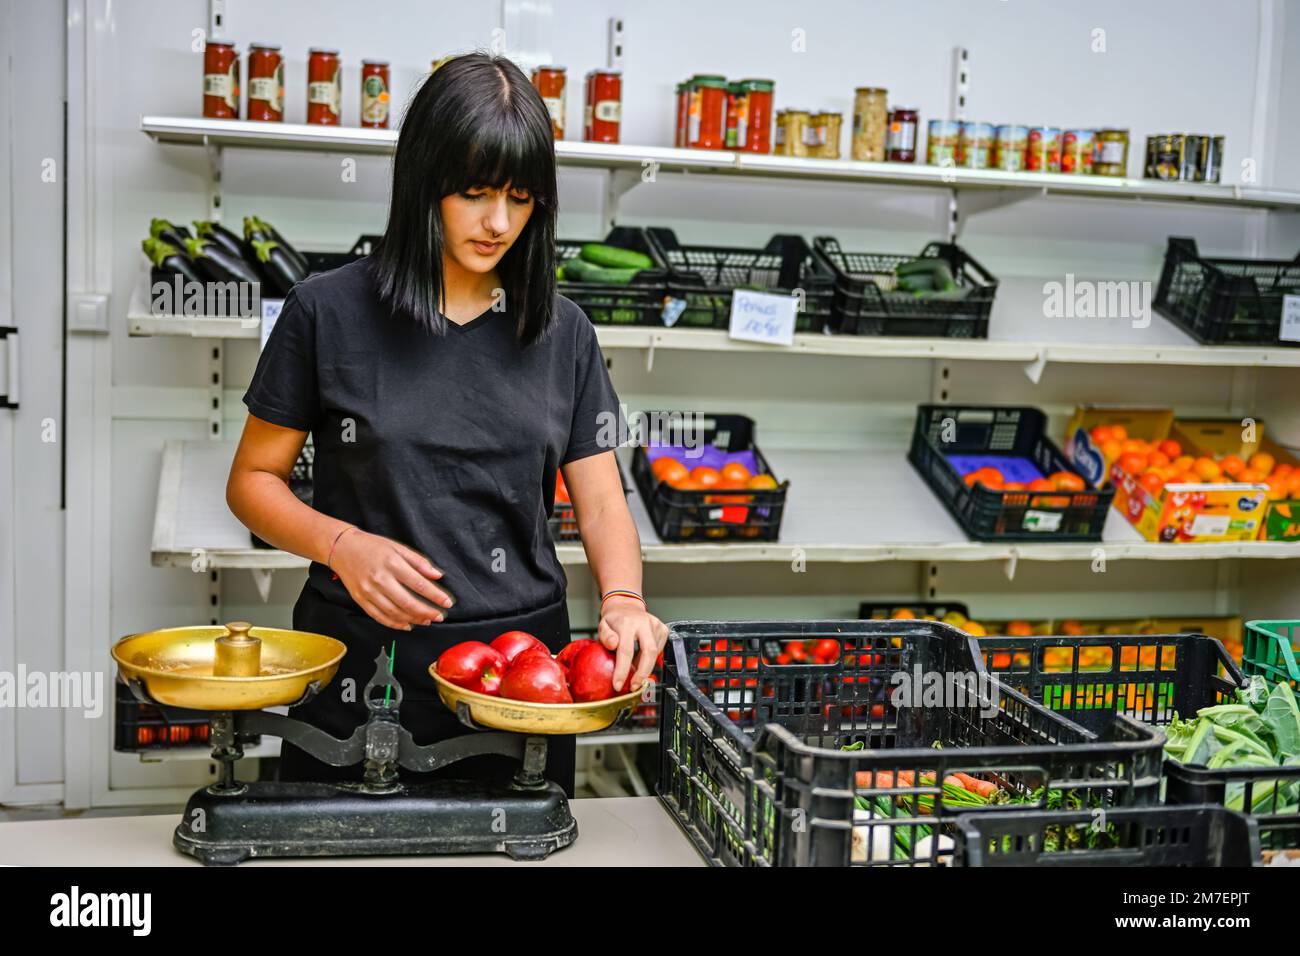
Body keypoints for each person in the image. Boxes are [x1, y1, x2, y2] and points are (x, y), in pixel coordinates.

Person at [226, 52, 668, 795]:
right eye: (474, 193)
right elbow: (251, 481)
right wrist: (342, 546)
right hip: (359, 664)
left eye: (521, 198)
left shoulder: (562, 334)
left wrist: (625, 601)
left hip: (524, 678)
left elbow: (600, 501)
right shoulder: (326, 312)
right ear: (422, 182)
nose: (499, 222)